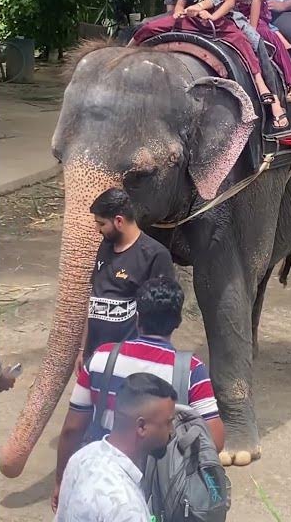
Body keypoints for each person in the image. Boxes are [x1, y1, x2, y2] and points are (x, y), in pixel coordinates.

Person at [53, 276, 225, 512]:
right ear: (177, 322)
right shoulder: (191, 370)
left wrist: (61, 480)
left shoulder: (102, 358)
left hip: (103, 475)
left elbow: (72, 429)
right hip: (162, 489)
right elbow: (214, 440)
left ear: (137, 318)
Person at [133, 0, 289, 128]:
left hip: (219, 23)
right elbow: (179, 4)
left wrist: (212, 16)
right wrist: (180, 13)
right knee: (147, 28)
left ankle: (262, 85)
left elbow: (229, 1)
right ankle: (124, 56)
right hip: (191, 21)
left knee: (245, 42)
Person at [53, 373, 176, 522]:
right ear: (141, 427)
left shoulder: (82, 457)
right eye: (168, 423)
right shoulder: (127, 508)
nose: (171, 431)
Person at [84, 189, 175, 367]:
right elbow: (94, 299)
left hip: (131, 362)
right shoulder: (105, 247)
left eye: (101, 224)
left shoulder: (155, 255)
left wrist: (152, 361)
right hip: (95, 357)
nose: (97, 230)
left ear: (119, 221)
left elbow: (164, 313)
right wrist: (83, 351)